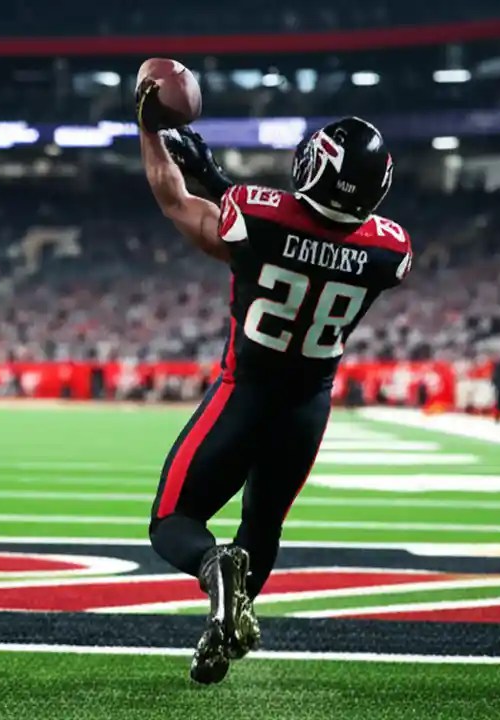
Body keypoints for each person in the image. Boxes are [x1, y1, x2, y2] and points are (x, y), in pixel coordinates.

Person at [137, 99, 411, 684]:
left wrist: (159, 136)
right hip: (307, 406)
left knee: (171, 519)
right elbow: (320, 235)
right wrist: (223, 181)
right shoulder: (391, 251)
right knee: (262, 524)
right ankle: (232, 620)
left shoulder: (254, 213)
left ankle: (212, 567)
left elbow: (178, 202)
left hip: (247, 393)